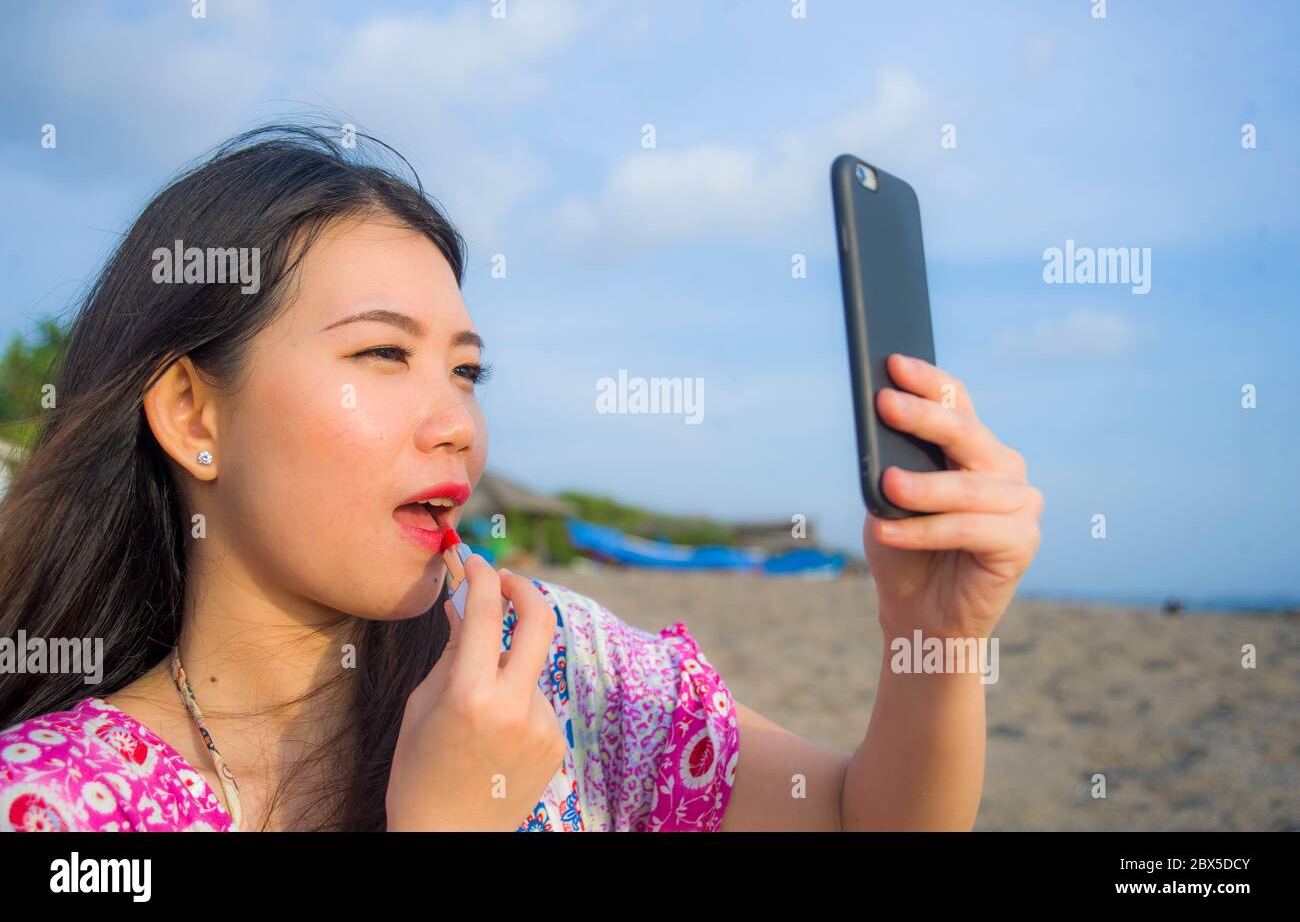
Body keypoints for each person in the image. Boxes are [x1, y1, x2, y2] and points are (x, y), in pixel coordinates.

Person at [0, 124, 1042, 832]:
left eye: (466, 370)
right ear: (193, 413)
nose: (456, 423)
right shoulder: (54, 803)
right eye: (380, 354)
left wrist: (936, 637)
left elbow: (859, 818)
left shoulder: (560, 674)